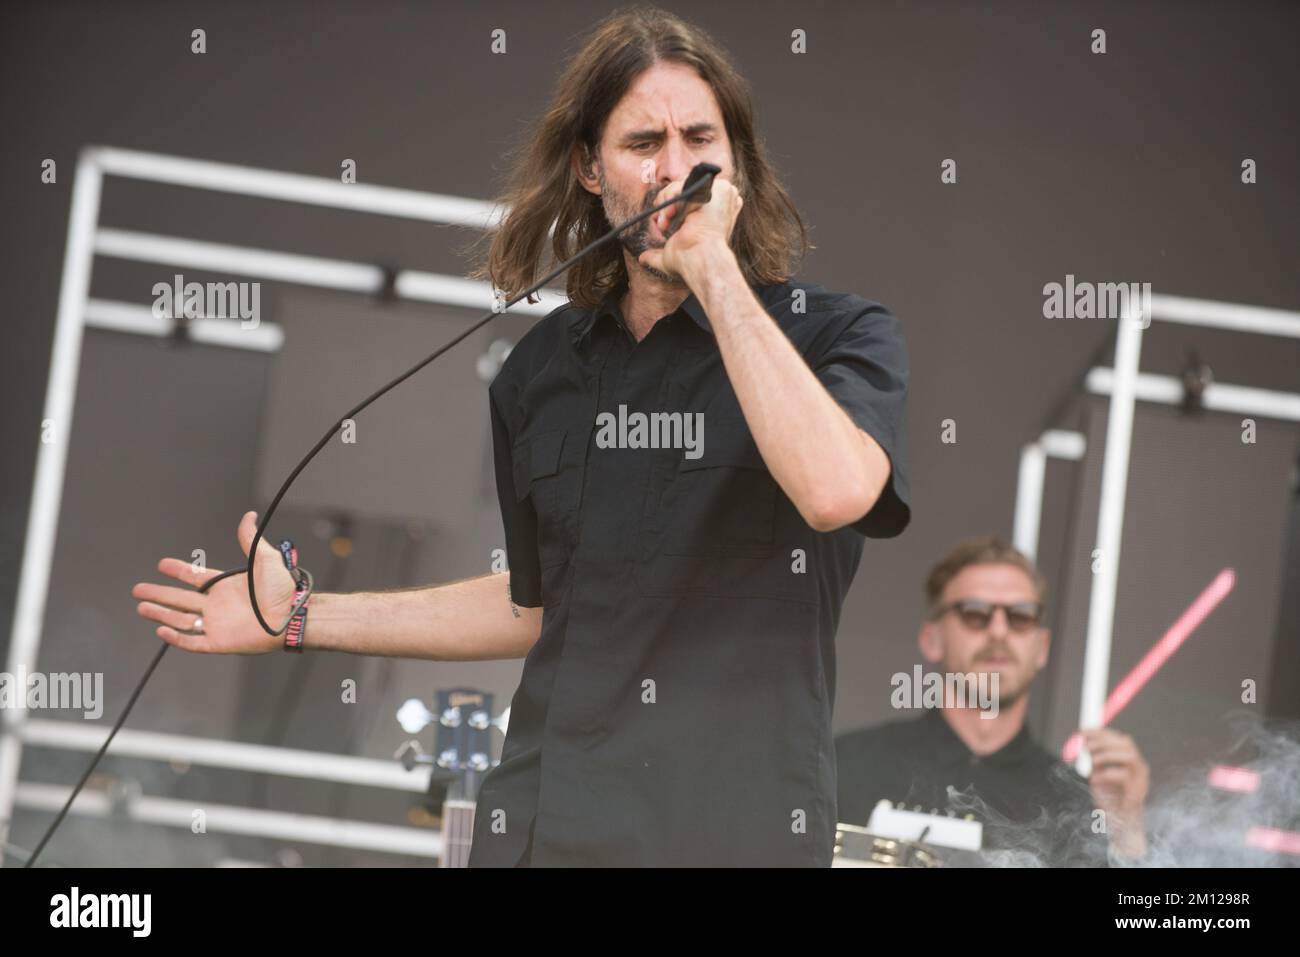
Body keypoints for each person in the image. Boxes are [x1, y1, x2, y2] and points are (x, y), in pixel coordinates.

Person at [132, 7, 911, 867]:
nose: (676, 167)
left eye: (700, 138)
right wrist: (302, 615)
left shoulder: (836, 335)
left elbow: (837, 490)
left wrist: (716, 271)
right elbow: (535, 604)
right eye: (643, 142)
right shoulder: (541, 372)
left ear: (738, 166)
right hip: (546, 820)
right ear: (588, 167)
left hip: (727, 832)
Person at [835, 536, 1150, 865]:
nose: (999, 631)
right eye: (975, 613)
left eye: (1020, 616)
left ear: (1042, 647)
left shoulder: (1078, 805)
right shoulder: (845, 765)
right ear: (932, 639)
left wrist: (1126, 831)